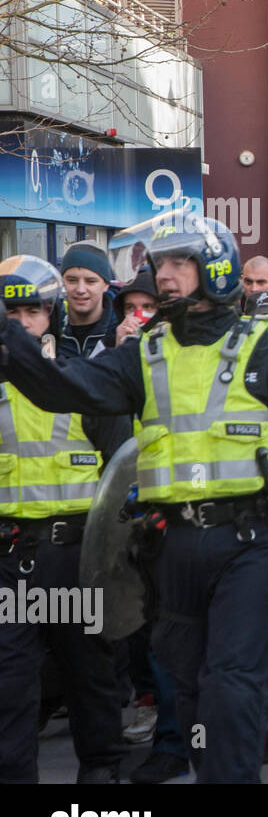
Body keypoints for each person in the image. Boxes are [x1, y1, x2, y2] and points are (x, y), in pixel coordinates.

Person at [0, 212, 268, 783]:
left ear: (215, 268)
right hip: (169, 547)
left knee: (231, 683)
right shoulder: (143, 355)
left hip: (249, 543)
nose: (167, 275)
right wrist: (8, 336)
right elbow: (64, 388)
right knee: (191, 688)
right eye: (161, 264)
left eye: (181, 262)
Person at [0, 256, 129, 783]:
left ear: (51, 315)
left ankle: (100, 780)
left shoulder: (82, 380)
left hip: (78, 555)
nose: (23, 321)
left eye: (33, 310)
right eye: (13, 311)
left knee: (90, 678)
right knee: (9, 685)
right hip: (11, 557)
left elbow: (121, 472)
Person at [60, 243, 118, 358]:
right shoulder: (49, 328)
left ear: (106, 285)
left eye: (90, 281)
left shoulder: (120, 330)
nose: (80, 290)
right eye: (72, 280)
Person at [113, 267, 159, 346]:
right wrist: (119, 347)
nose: (138, 317)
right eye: (130, 307)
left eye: (147, 307)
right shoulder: (107, 342)